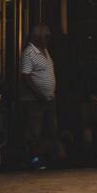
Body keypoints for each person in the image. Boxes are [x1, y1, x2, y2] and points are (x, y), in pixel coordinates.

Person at [20, 24, 61, 170]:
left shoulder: (45, 51)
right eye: (46, 37)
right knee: (34, 132)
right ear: (38, 37)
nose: (49, 40)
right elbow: (25, 77)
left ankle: (48, 158)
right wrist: (39, 94)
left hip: (48, 98)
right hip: (34, 100)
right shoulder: (29, 53)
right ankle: (33, 160)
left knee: (50, 129)